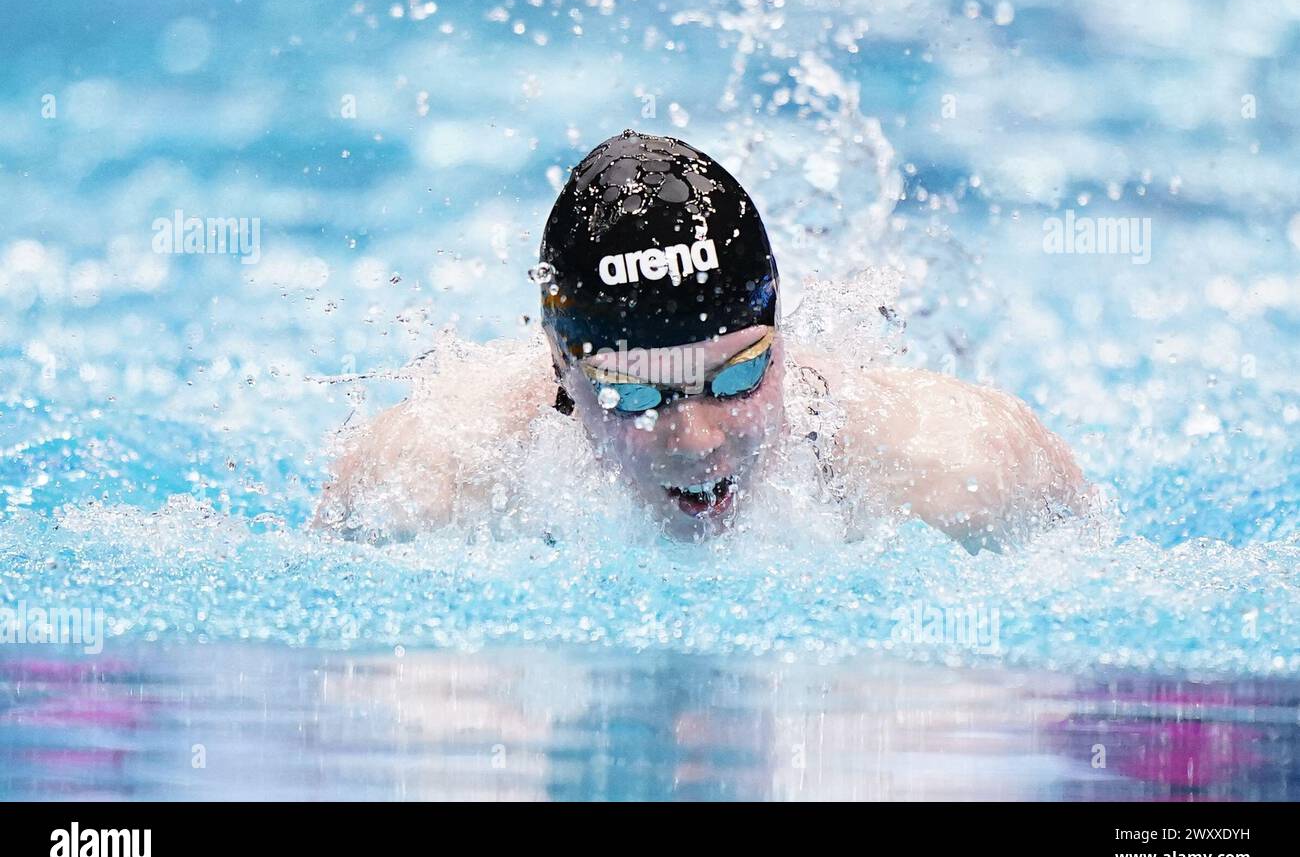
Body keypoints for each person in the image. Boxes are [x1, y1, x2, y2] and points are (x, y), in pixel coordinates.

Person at [314, 130, 1088, 551]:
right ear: (560, 368)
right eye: (632, 393)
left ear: (782, 340)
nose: (693, 440)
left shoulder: (960, 471)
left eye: (736, 379)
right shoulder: (423, 488)